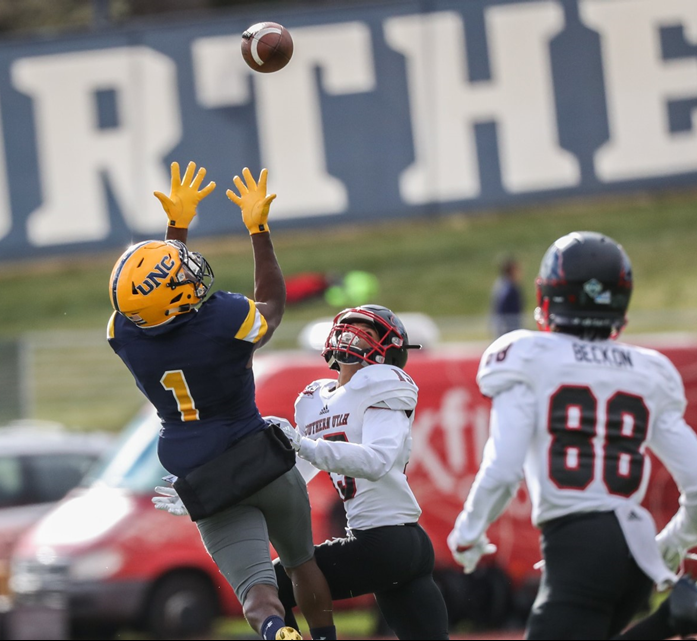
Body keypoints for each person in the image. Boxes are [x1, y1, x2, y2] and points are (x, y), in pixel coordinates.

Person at [447, 231, 697, 640]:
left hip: (578, 547)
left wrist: (468, 531)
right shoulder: (648, 370)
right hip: (635, 547)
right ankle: (673, 617)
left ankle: (674, 617)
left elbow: (503, 469)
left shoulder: (526, 356)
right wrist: (667, 548)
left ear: (550, 295)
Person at [107, 161, 334, 641]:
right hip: (259, 457)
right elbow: (271, 305)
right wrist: (258, 230)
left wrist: (176, 229)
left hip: (202, 476)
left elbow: (158, 301)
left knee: (256, 592)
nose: (188, 271)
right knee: (300, 563)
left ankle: (276, 630)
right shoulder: (222, 319)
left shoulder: (124, 333)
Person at [272, 305, 449, 640]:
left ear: (388, 350)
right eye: (348, 327)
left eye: (365, 331)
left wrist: (304, 445)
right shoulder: (315, 400)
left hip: (384, 542)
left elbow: (376, 460)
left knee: (270, 585)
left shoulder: (381, 386)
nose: (353, 334)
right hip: (395, 545)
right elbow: (294, 475)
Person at [491, 254, 523, 338]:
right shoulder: (508, 288)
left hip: (508, 325)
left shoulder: (501, 284)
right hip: (509, 327)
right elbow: (502, 308)